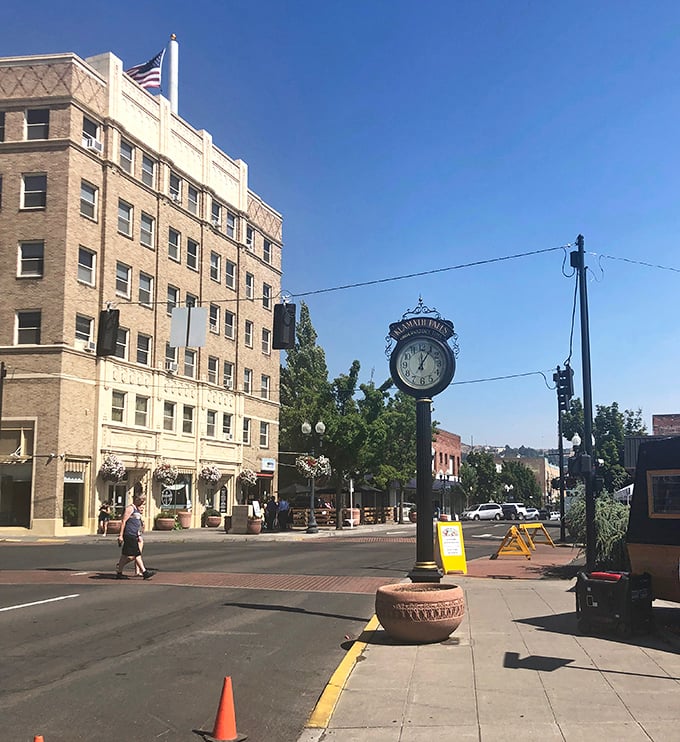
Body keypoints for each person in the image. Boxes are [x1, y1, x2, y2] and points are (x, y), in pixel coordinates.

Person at [115, 494, 155, 580]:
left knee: (125, 555)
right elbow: (124, 521)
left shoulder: (137, 509)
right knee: (136, 553)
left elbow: (136, 522)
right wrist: (121, 535)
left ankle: (119, 572)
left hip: (134, 533)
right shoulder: (130, 508)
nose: (142, 503)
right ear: (136, 499)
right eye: (141, 500)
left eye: (143, 501)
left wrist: (139, 532)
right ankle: (144, 572)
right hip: (129, 534)